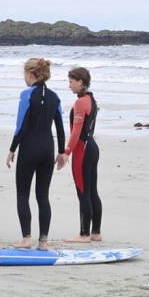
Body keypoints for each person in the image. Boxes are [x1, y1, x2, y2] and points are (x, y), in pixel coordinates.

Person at [6, 57, 65, 250]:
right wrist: (62, 152)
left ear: (31, 74)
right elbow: (61, 127)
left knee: (23, 194)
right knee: (43, 196)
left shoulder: (26, 95)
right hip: (48, 148)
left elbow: (21, 126)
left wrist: (12, 148)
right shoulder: (55, 97)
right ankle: (43, 242)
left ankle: (26, 239)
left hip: (29, 148)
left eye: (24, 73)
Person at [58, 66, 102, 243]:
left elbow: (76, 132)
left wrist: (66, 152)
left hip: (82, 150)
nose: (69, 86)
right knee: (92, 192)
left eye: (71, 82)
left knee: (83, 191)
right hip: (92, 147)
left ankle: (84, 234)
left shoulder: (80, 102)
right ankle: (96, 232)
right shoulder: (92, 99)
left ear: (80, 82)